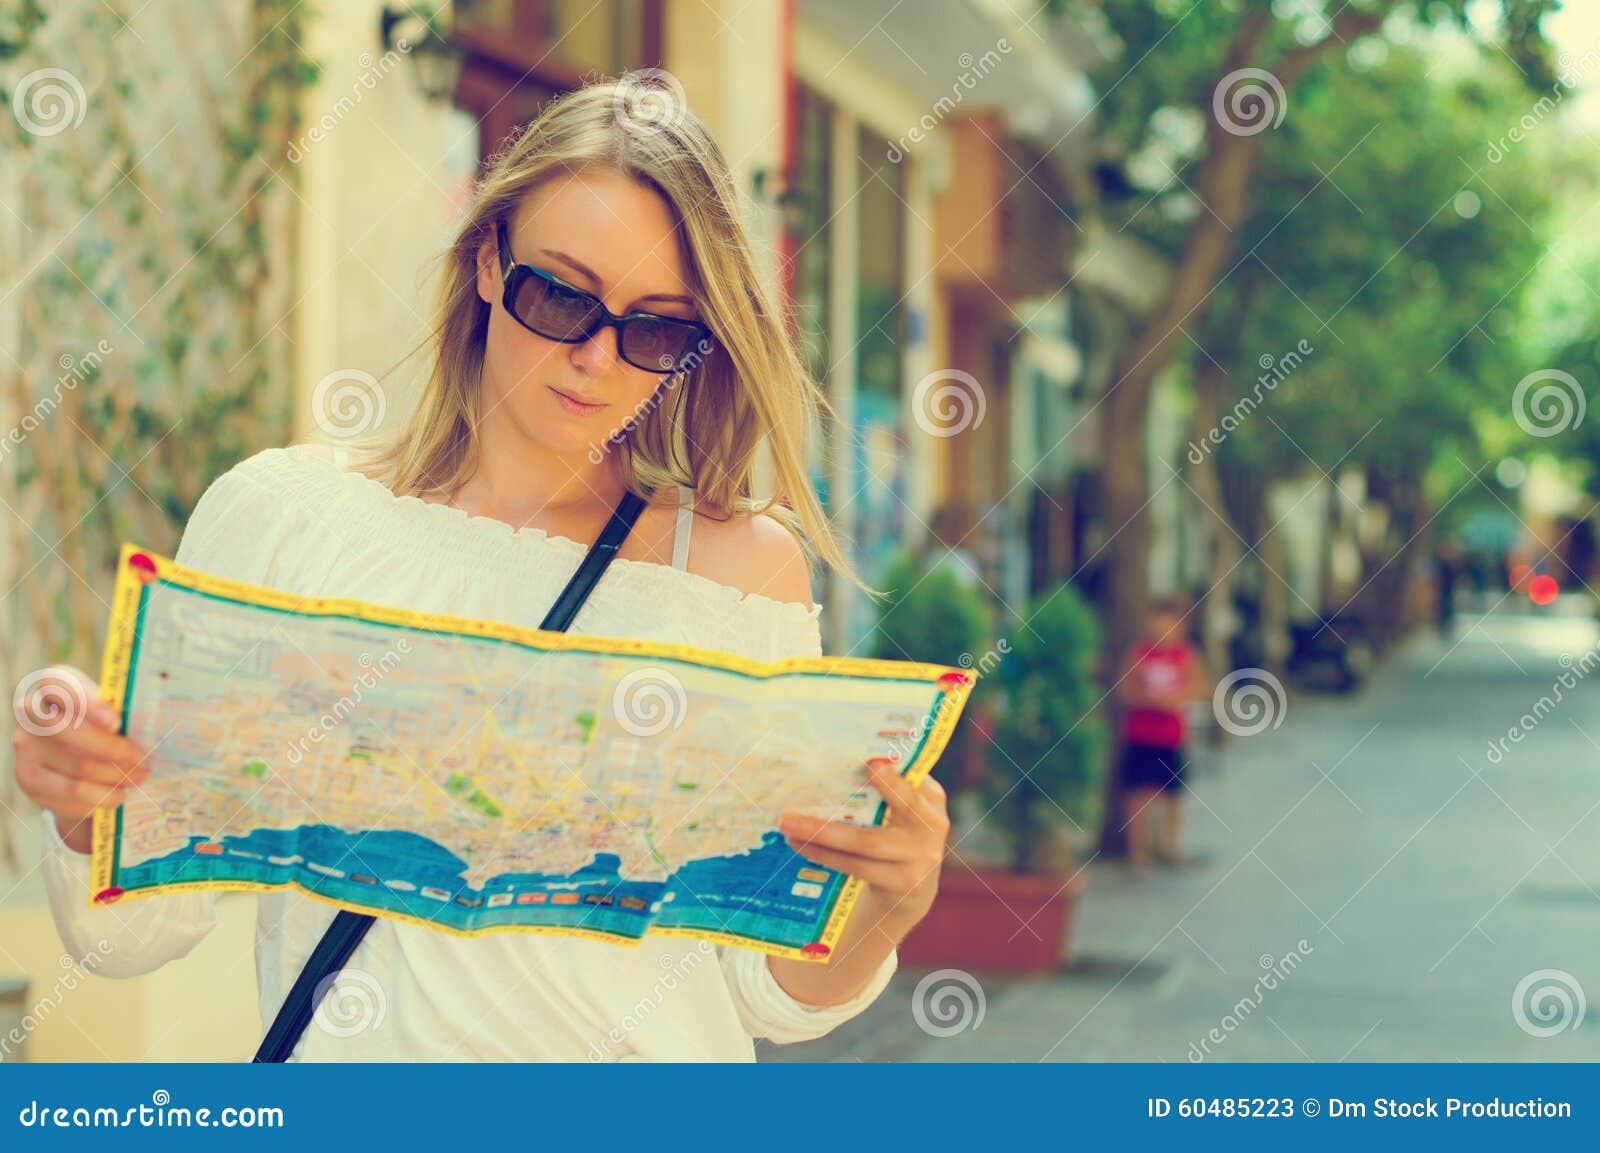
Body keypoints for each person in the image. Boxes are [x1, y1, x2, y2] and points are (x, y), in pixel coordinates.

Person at [9, 80, 951, 1061]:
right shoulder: (286, 519)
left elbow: (764, 988)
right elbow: (132, 931)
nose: (595, 358)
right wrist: (83, 807)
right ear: (489, 262)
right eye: (560, 295)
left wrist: (883, 907)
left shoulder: (740, 572)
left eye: (655, 329)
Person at [1117, 597, 1209, 871]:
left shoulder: (1186, 656)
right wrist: (1147, 699)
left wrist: (1176, 700)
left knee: (1173, 794)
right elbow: (1124, 689)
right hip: (1140, 734)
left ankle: (1169, 846)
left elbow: (1199, 688)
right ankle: (1138, 851)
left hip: (1171, 736)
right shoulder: (1139, 653)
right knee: (1137, 794)